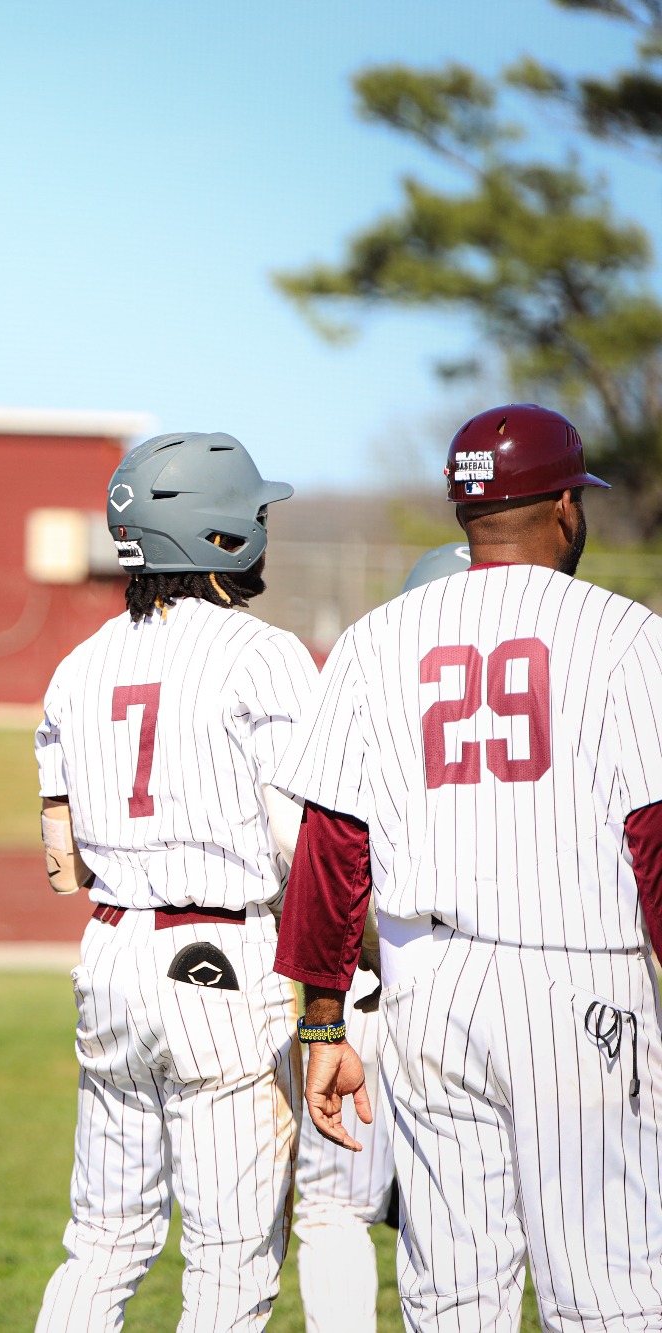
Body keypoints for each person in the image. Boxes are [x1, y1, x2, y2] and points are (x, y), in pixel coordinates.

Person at [275, 403, 662, 1330]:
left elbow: (331, 848)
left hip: (429, 989)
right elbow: (653, 835)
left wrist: (322, 1027)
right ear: (566, 506)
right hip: (581, 979)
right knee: (606, 1284)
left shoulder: (376, 637)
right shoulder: (622, 632)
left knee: (452, 1296)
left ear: (464, 513)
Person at [33, 432, 315, 1331]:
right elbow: (299, 835)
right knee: (232, 1254)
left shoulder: (78, 665)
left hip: (110, 948)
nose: (265, 527)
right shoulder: (262, 652)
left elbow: (60, 860)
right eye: (256, 512)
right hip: (224, 952)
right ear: (221, 531)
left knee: (104, 1240)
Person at [289, 545, 465, 1333]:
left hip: (366, 980)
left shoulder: (374, 682)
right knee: (468, 1215)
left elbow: (328, 853)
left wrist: (320, 1011)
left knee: (332, 1207)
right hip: (484, 989)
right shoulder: (556, 688)